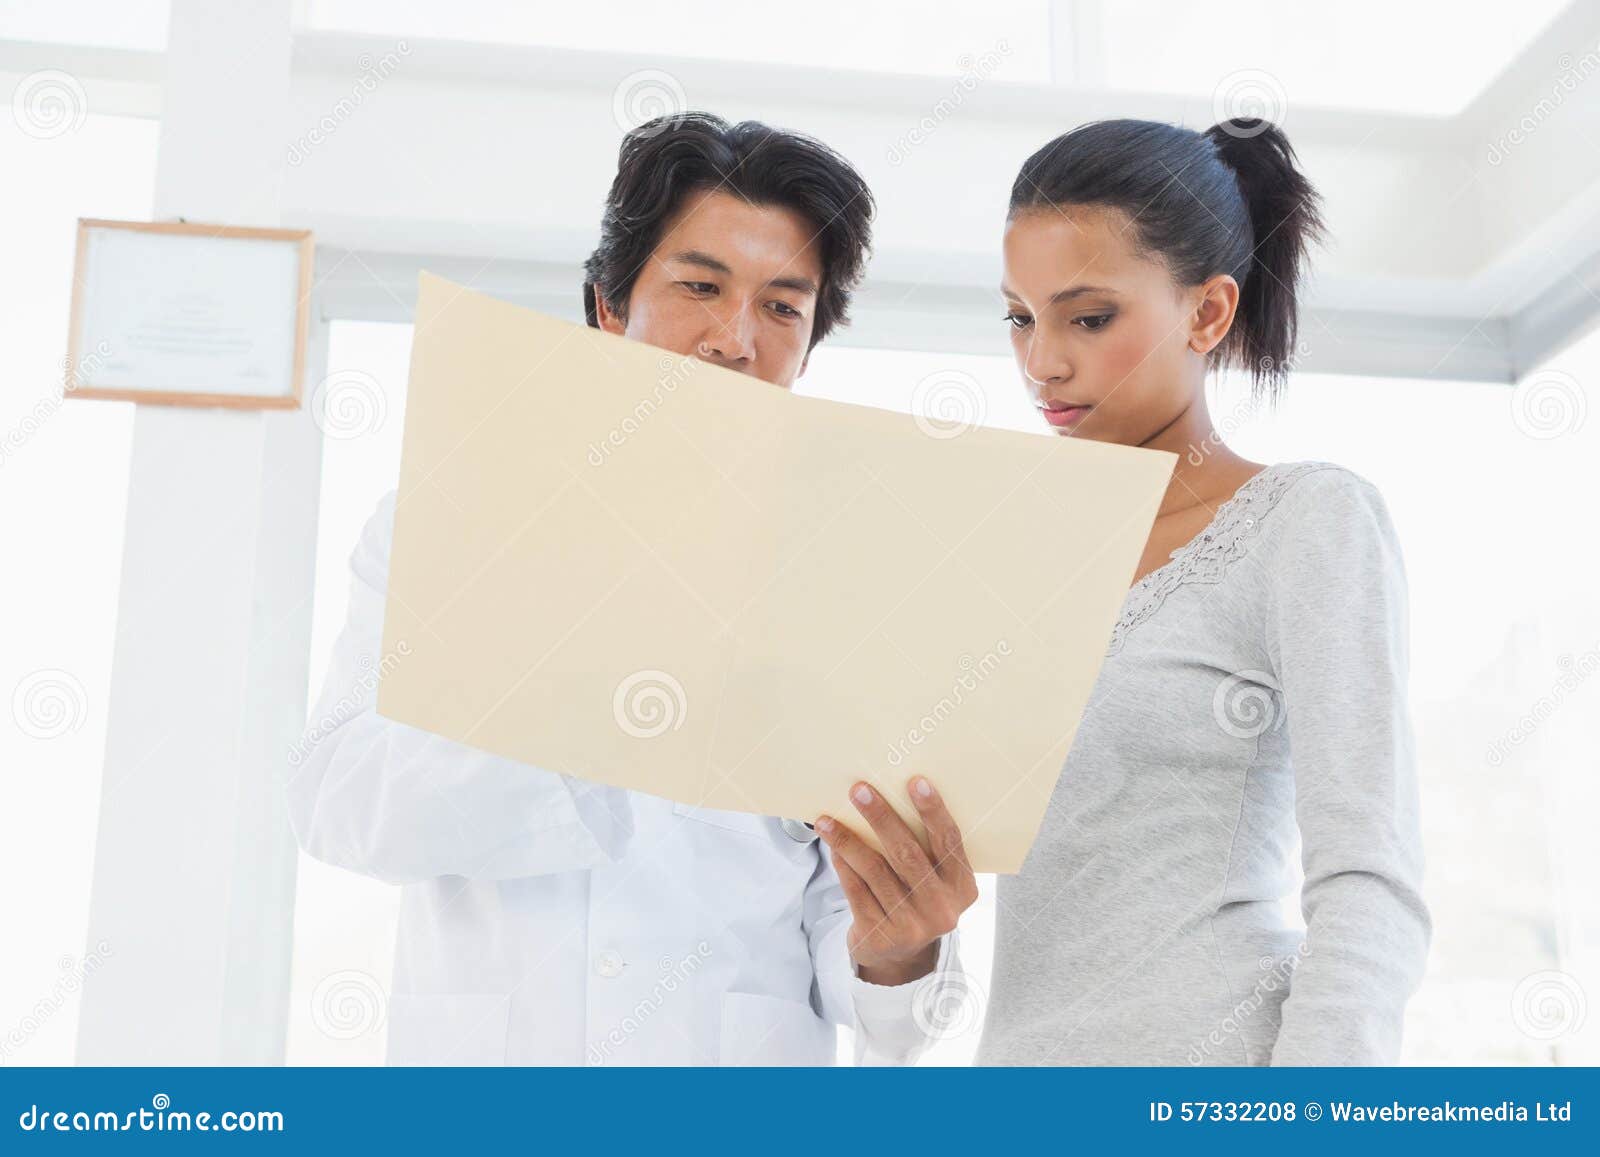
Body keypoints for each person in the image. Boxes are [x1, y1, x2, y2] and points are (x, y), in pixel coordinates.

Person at [288, 112, 976, 1066]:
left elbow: (861, 949)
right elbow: (337, 797)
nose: (735, 339)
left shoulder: (859, 577)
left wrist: (899, 949)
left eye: (783, 307)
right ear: (610, 306)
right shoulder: (447, 522)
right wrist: (605, 726)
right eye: (700, 286)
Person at [979, 117, 1431, 1065]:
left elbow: (1369, 878)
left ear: (1209, 313)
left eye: (1087, 317)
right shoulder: (1015, 565)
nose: (1041, 362)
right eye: (1020, 317)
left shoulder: (1306, 521)